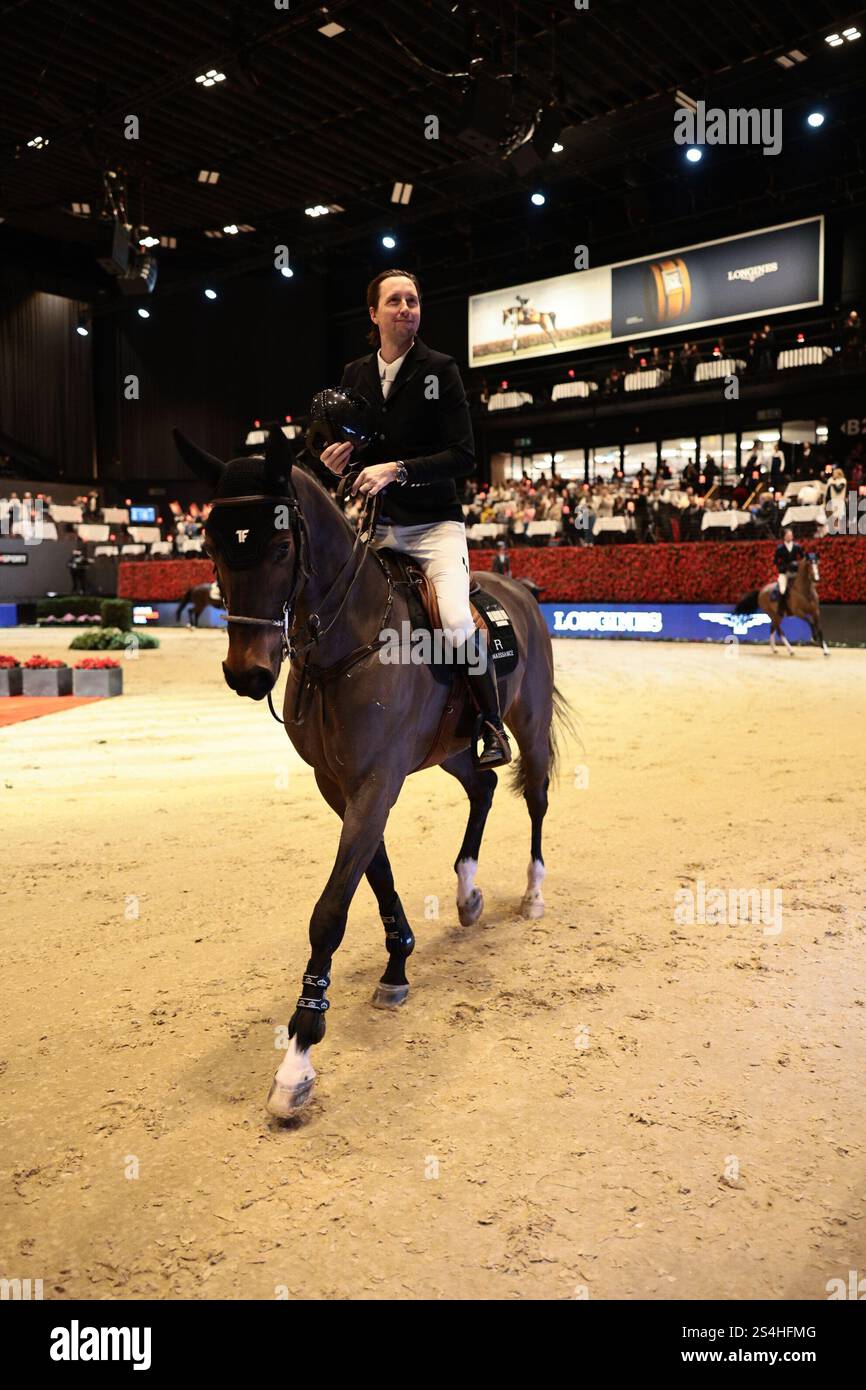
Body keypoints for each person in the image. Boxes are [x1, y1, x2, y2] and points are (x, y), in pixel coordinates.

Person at [320, 268, 511, 768]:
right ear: (374, 313)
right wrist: (335, 460)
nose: (406, 308)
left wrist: (398, 470)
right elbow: (359, 450)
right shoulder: (355, 375)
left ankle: (491, 724)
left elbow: (464, 455)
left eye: (413, 300)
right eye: (395, 301)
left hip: (434, 527)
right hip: (378, 527)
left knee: (451, 618)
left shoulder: (440, 369)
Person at [774, 527, 804, 617]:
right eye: (788, 535)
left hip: (795, 571)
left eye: (791, 535)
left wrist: (797, 564)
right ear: (784, 537)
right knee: (782, 589)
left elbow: (803, 558)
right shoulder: (780, 548)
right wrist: (782, 567)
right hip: (784, 572)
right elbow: (775, 561)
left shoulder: (797, 546)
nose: (790, 537)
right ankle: (781, 608)